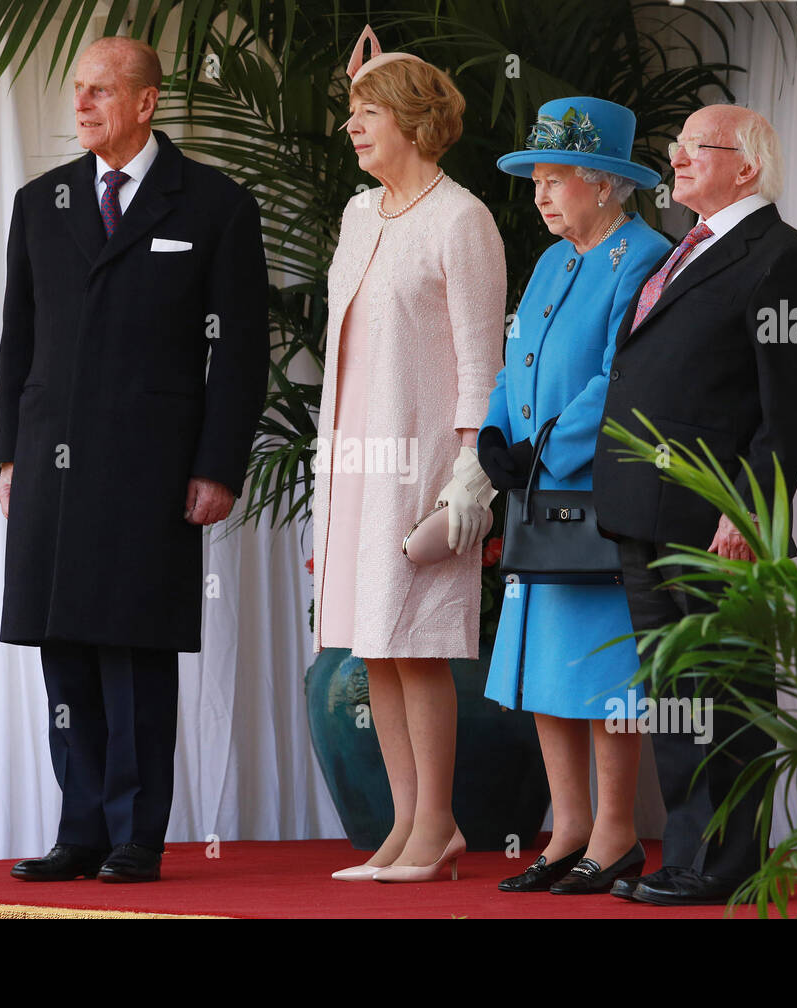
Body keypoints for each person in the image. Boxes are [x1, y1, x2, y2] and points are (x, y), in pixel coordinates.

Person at [0, 36, 269, 883]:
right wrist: (8, 456)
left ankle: (135, 836)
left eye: (100, 92)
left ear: (146, 103)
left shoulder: (214, 206)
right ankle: (77, 829)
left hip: (152, 469)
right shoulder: (41, 202)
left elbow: (244, 352)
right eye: (77, 91)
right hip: (50, 468)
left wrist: (218, 465)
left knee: (134, 652)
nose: (81, 106)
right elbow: (18, 340)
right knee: (63, 649)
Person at [593, 103, 797, 905]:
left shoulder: (786, 259)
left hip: (714, 522)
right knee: (676, 695)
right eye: (678, 147)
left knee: (723, 695)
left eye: (698, 147)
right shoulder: (688, 250)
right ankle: (689, 861)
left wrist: (748, 509)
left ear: (748, 166)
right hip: (643, 507)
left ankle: (720, 868)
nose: (679, 158)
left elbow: (790, 405)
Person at [313, 27, 504, 883]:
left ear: (417, 122)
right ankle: (403, 828)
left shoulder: (462, 219)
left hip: (425, 463)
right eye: (351, 112)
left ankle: (438, 826)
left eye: (368, 112)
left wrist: (470, 474)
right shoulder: (359, 213)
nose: (353, 126)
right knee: (373, 642)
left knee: (418, 640)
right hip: (356, 459)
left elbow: (480, 359)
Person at [479, 98, 671, 894]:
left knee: (606, 673)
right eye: (537, 183)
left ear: (603, 185)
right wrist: (493, 435)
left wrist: (547, 446)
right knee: (546, 670)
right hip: (533, 491)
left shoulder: (647, 255)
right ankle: (569, 831)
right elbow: (516, 353)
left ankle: (619, 833)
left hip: (598, 492)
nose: (541, 197)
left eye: (555, 181)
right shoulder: (551, 260)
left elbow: (622, 376)